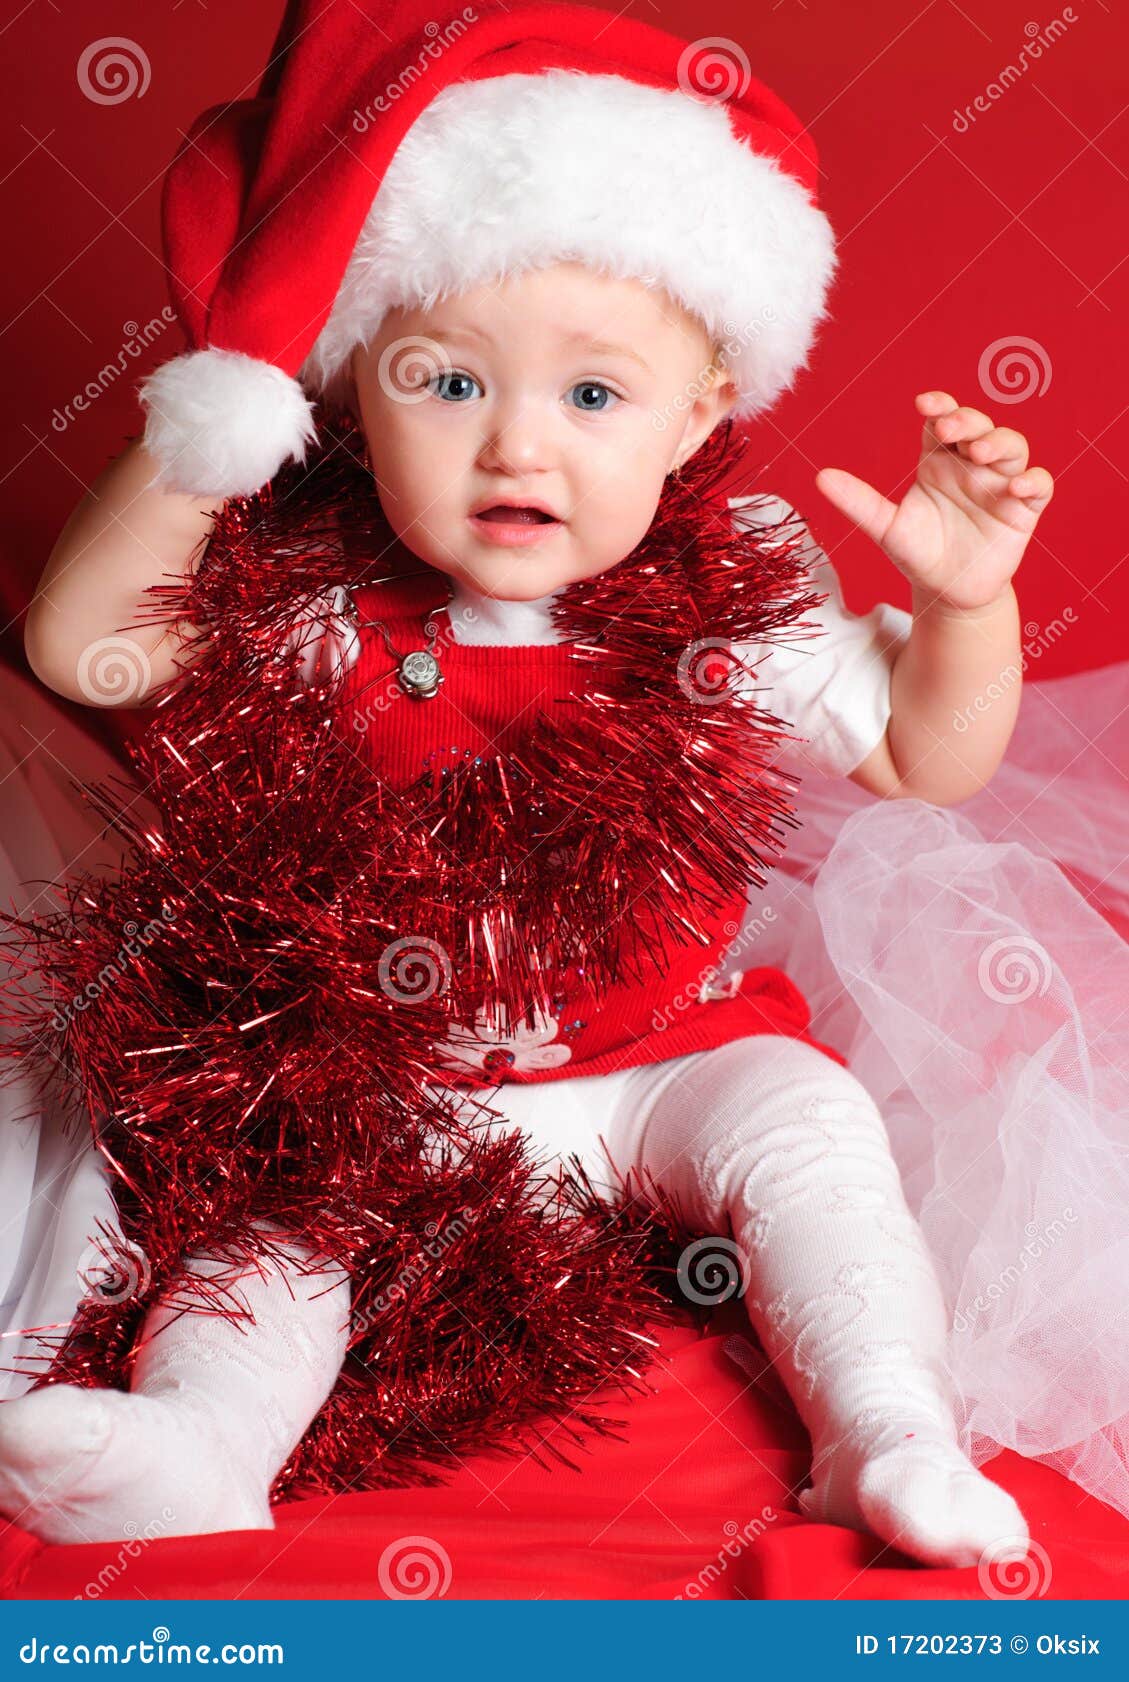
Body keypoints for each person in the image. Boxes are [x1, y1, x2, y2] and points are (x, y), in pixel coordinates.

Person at [3, 0, 1120, 1574]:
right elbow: (81, 647)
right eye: (445, 384)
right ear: (346, 395)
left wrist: (962, 604)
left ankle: (886, 1430)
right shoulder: (323, 592)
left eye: (593, 398)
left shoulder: (732, 587)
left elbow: (923, 756)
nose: (516, 444)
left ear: (700, 415)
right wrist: (225, 401)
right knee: (270, 1230)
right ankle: (197, 1437)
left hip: (661, 1052)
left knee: (810, 1133)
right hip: (390, 1086)